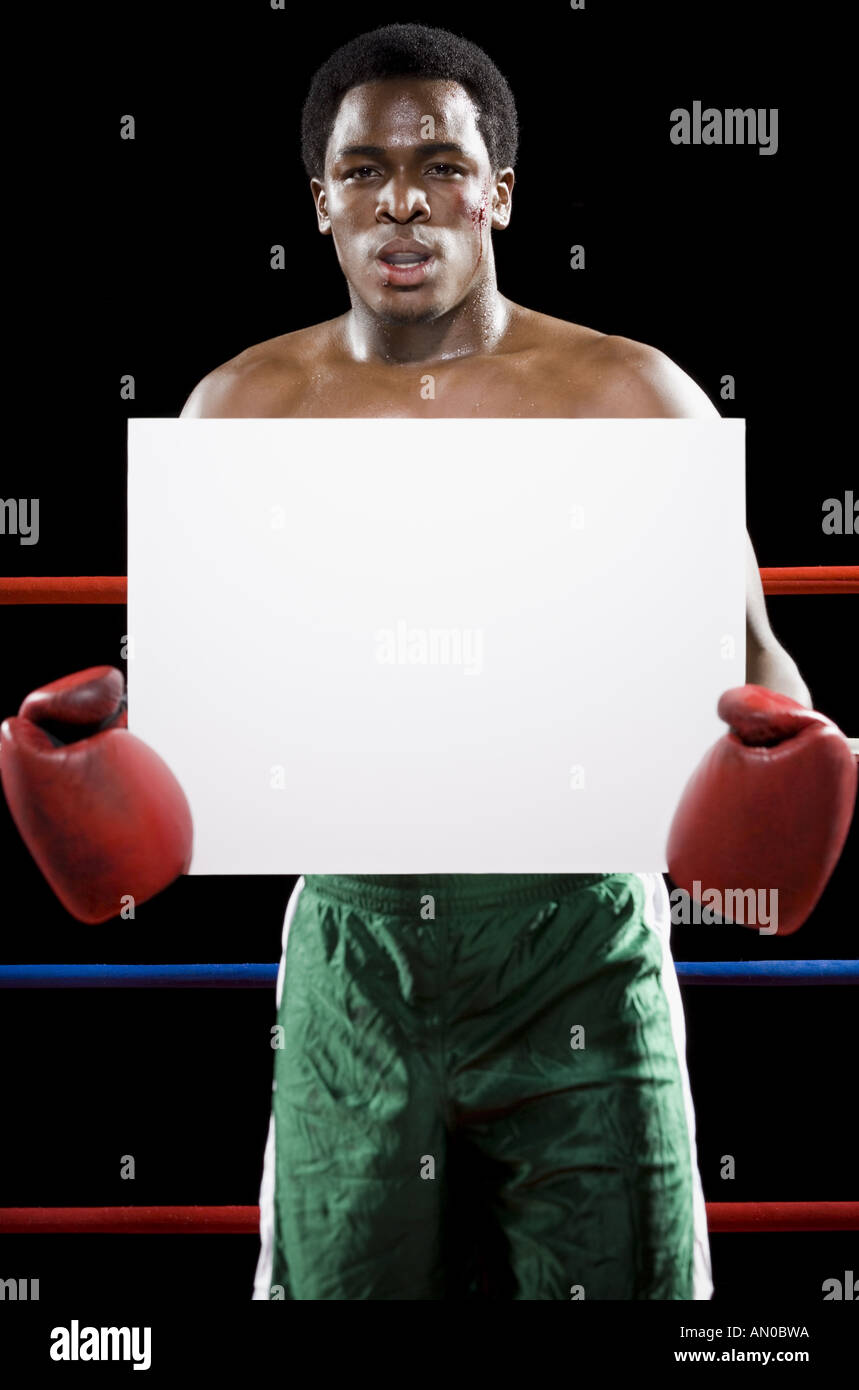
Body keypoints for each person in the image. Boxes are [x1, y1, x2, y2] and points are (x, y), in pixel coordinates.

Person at [181, 23, 811, 1300]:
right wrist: (96, 764)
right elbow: (197, 703)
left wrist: (785, 767)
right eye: (362, 170)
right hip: (359, 939)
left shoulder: (630, 397)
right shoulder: (241, 410)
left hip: (576, 931)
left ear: (498, 191)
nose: (402, 198)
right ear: (321, 204)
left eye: (440, 164)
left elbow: (760, 664)